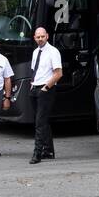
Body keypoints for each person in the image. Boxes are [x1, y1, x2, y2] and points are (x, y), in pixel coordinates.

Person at [29, 26, 62, 164]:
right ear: (34, 38)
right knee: (42, 121)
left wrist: (46, 87)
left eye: (42, 36)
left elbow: (58, 73)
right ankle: (48, 151)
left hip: (46, 89)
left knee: (40, 122)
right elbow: (34, 70)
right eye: (38, 37)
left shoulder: (53, 52)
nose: (40, 39)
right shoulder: (36, 52)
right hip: (34, 87)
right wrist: (32, 84)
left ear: (47, 36)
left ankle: (37, 153)